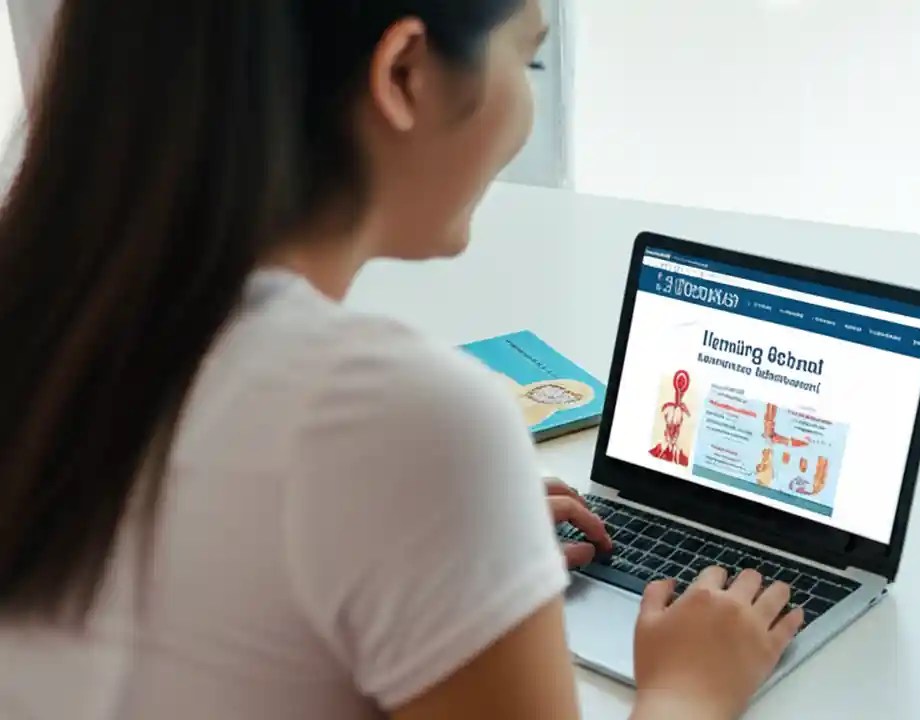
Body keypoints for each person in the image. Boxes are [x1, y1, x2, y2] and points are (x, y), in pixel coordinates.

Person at [0, 1, 804, 719]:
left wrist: (457, 547)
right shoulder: (403, 422)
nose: (527, 107)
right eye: (525, 60)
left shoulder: (52, 319)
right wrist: (692, 689)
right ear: (405, 74)